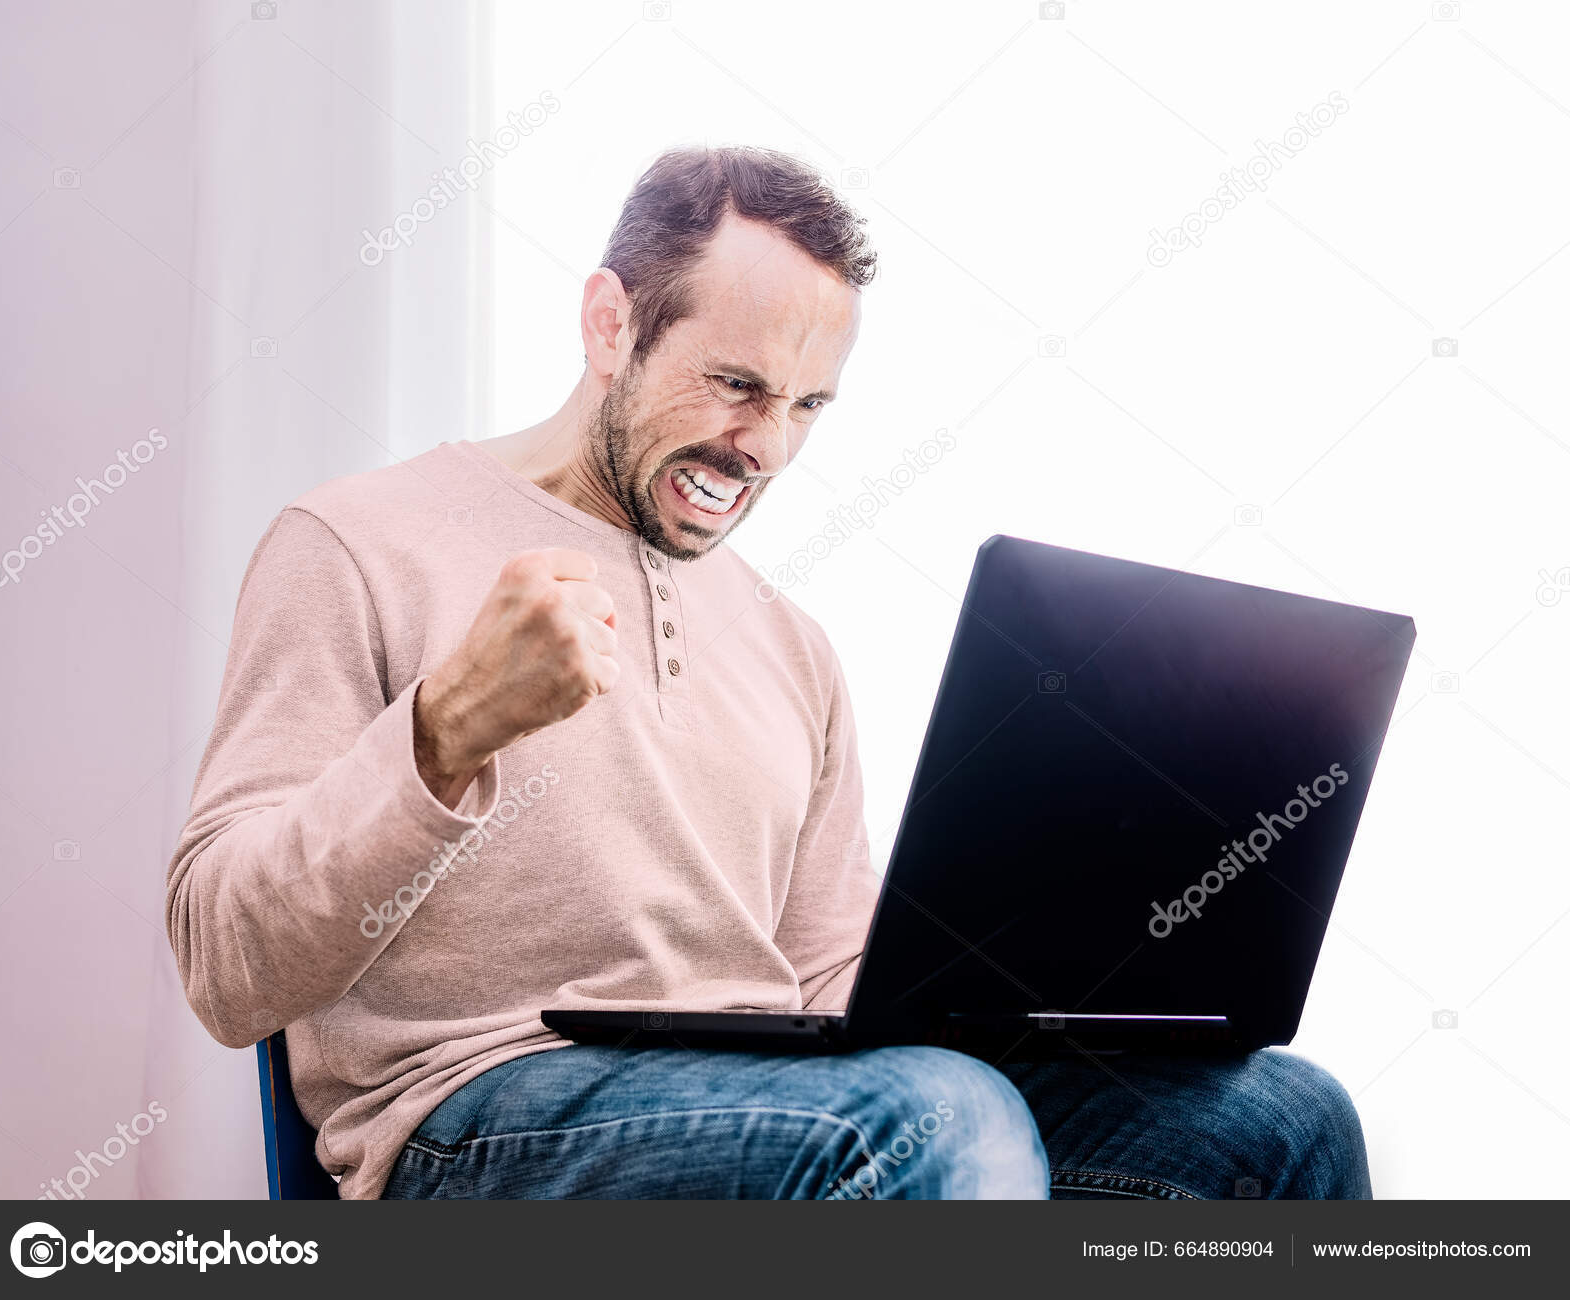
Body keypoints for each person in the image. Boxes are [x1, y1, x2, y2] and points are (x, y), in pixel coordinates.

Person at [166, 146, 1370, 1200]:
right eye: (736, 385)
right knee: (933, 1120)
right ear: (609, 324)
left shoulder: (793, 645)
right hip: (474, 1119)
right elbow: (225, 967)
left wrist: (1041, 985)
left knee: (1279, 1121)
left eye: (807, 405)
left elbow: (831, 974)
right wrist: (441, 732)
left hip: (782, 1101)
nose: (767, 448)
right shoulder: (357, 545)